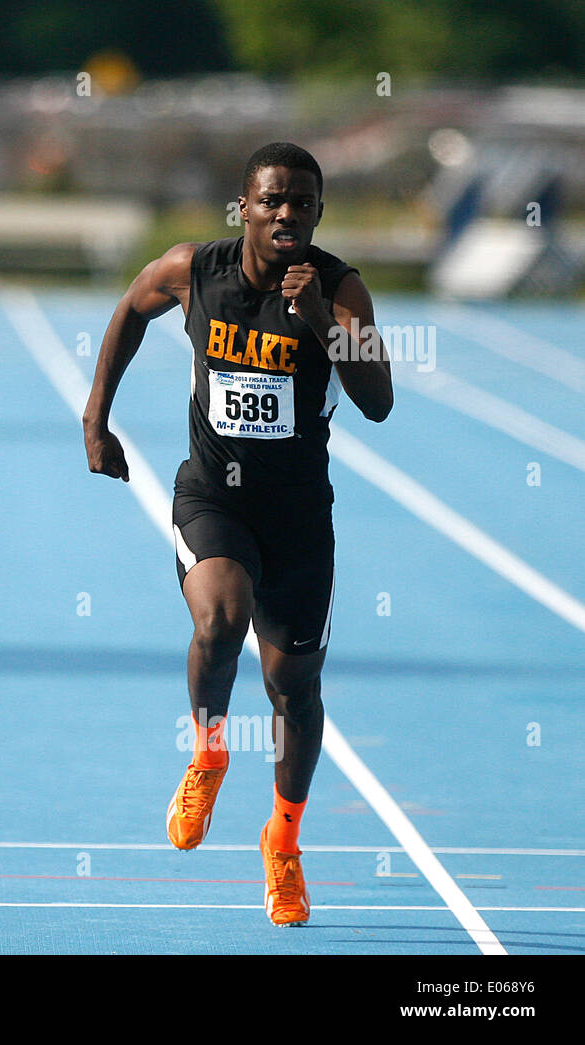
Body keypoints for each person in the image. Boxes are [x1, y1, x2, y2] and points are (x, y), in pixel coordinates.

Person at [82, 142, 392, 926]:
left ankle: (282, 842)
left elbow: (379, 399)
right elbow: (129, 308)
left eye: (302, 203)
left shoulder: (339, 285)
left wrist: (321, 322)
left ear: (318, 213)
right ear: (245, 208)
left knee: (294, 685)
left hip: (297, 518)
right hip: (213, 497)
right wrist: (96, 418)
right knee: (219, 618)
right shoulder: (196, 269)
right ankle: (210, 749)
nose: (287, 213)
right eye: (272, 200)